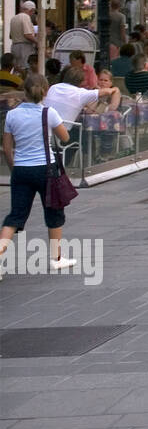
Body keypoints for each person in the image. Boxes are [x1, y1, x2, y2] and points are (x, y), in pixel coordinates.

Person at [1, 74, 76, 277]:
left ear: (24, 91)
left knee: (15, 215)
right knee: (54, 212)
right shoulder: (48, 113)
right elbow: (65, 136)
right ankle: (57, 258)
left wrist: (14, 167)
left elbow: (7, 148)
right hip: (46, 169)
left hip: (21, 169)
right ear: (45, 91)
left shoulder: (12, 115)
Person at [7, 1, 37, 70]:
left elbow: (10, 36)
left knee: (17, 69)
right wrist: (38, 42)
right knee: (25, 68)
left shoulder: (13, 18)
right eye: (33, 11)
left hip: (14, 47)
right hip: (24, 48)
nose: (33, 13)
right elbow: (27, 35)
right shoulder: (25, 17)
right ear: (31, 10)